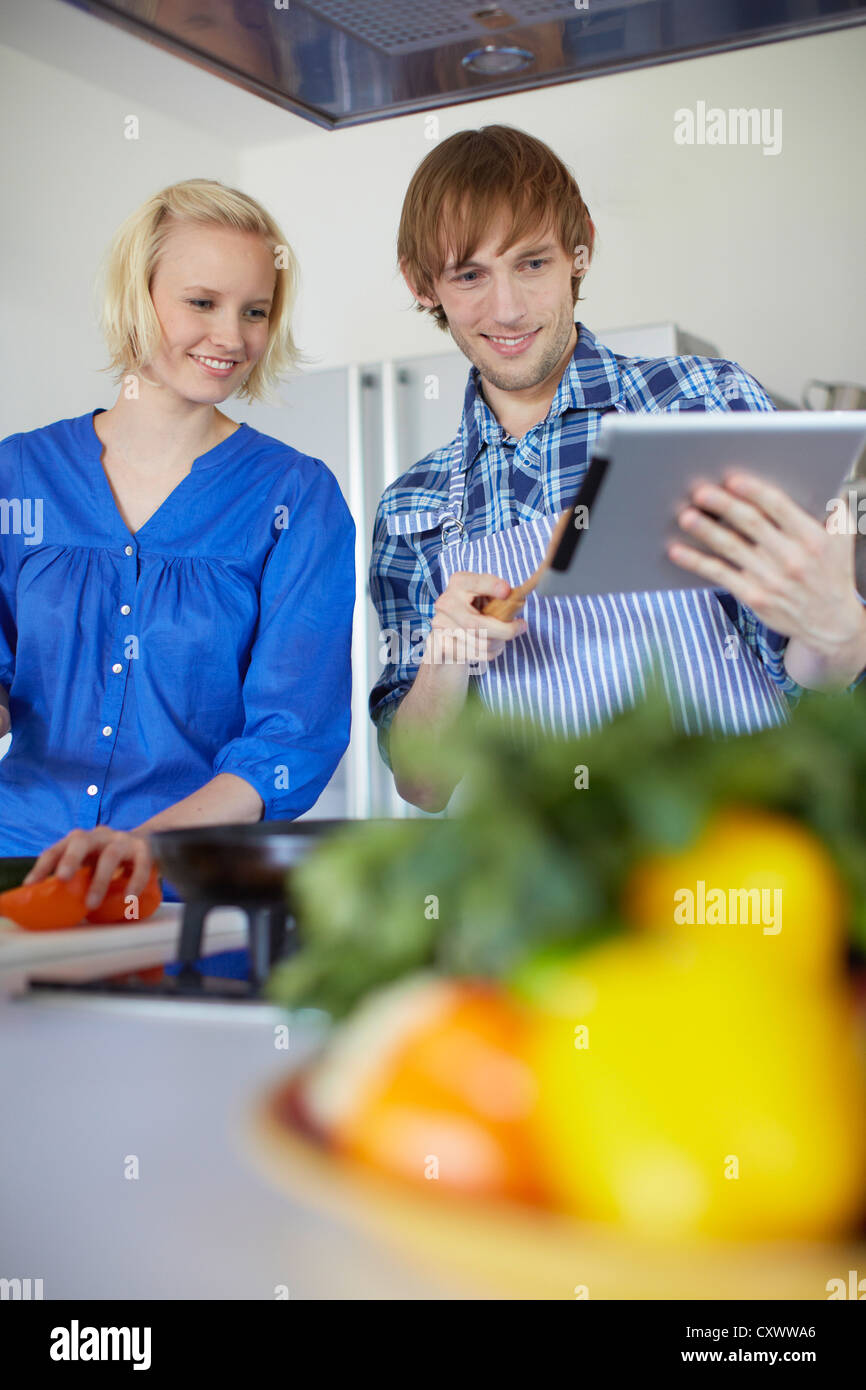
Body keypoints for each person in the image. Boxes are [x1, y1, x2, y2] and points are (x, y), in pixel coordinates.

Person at [369, 125, 866, 812]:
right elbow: (423, 783)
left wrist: (842, 631)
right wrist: (446, 656)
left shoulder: (701, 402)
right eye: (469, 274)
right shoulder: (413, 508)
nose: (507, 307)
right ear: (423, 285)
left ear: (581, 252)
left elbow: (814, 677)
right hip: (550, 899)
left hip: (741, 857)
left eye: (533, 263)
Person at [0, 179, 354, 911]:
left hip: (190, 897)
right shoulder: (19, 474)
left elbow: (290, 743)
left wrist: (146, 846)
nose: (232, 337)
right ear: (138, 296)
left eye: (255, 312)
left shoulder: (295, 498)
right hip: (18, 873)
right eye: (202, 302)